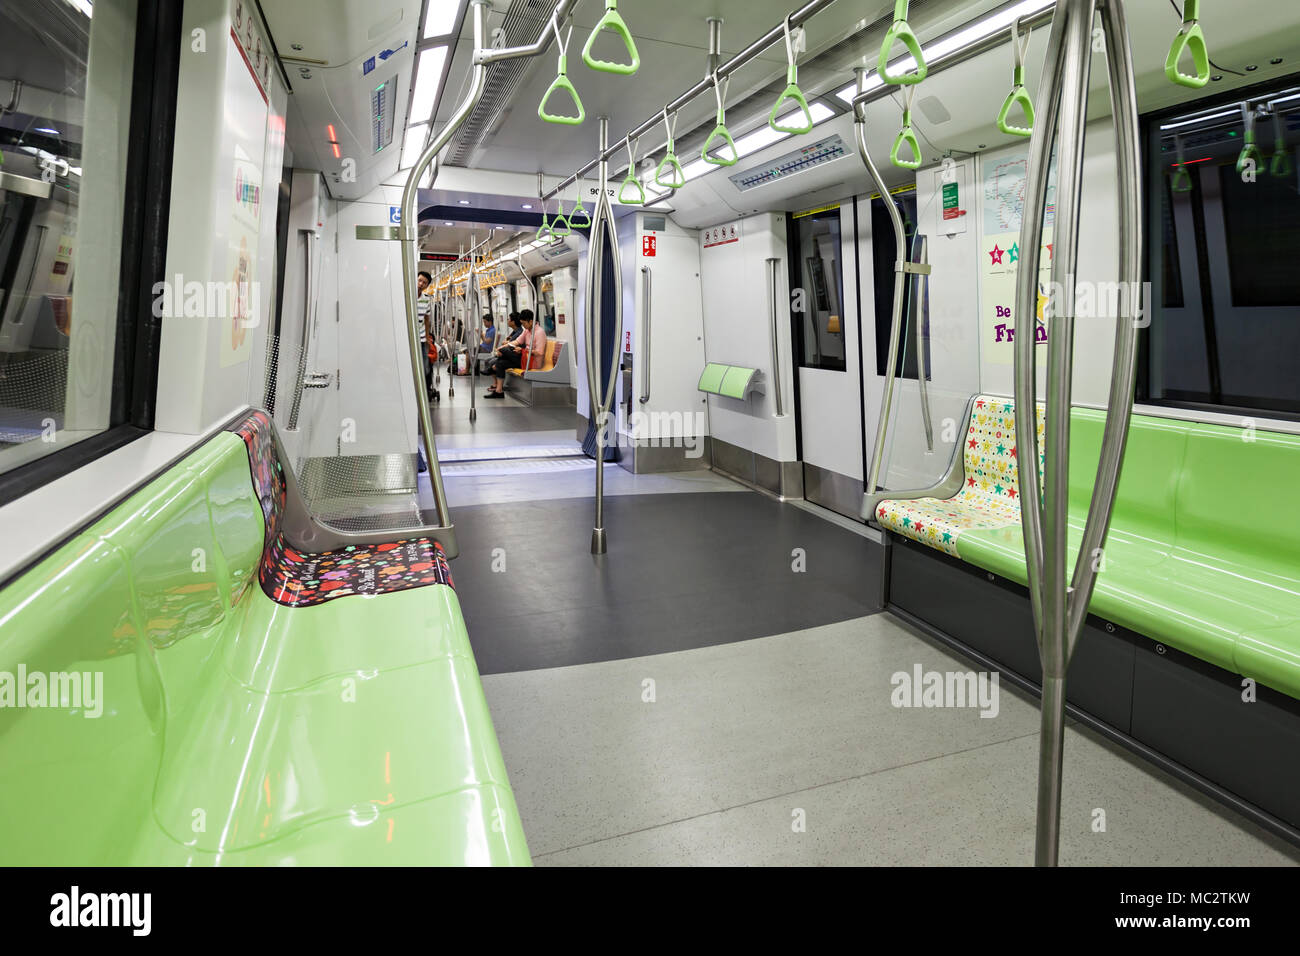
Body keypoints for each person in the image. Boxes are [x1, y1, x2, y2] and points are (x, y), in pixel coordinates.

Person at [485, 309, 546, 398]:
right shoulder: (527, 331)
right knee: (501, 363)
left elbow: (539, 352)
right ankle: (499, 391)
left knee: (505, 351)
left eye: (524, 323)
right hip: (524, 359)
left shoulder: (539, 332)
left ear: (531, 321)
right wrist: (501, 348)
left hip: (533, 362)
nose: (524, 326)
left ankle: (492, 367)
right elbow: (516, 342)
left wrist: (521, 350)